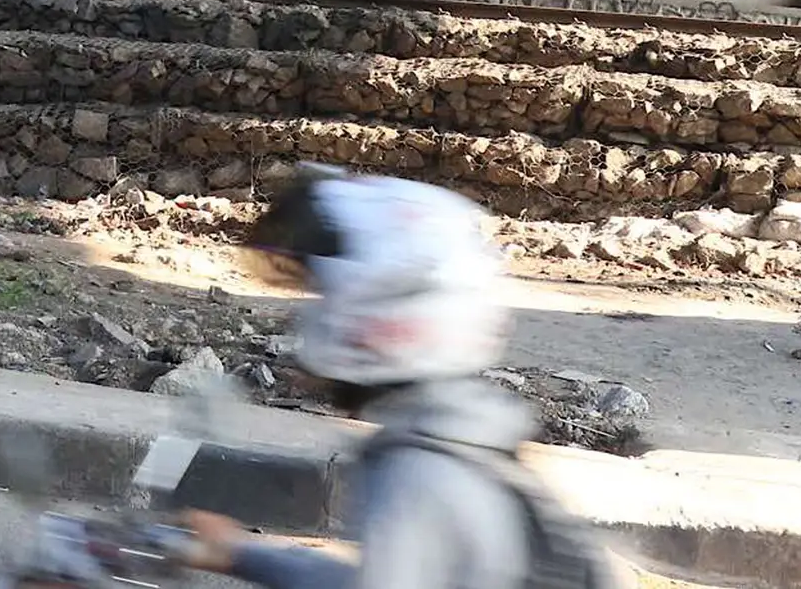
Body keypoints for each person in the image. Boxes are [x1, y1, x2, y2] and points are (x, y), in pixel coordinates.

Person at [177, 168, 632, 589]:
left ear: (379, 307)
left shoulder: (420, 474)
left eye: (323, 295)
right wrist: (243, 554)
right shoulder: (466, 447)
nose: (309, 318)